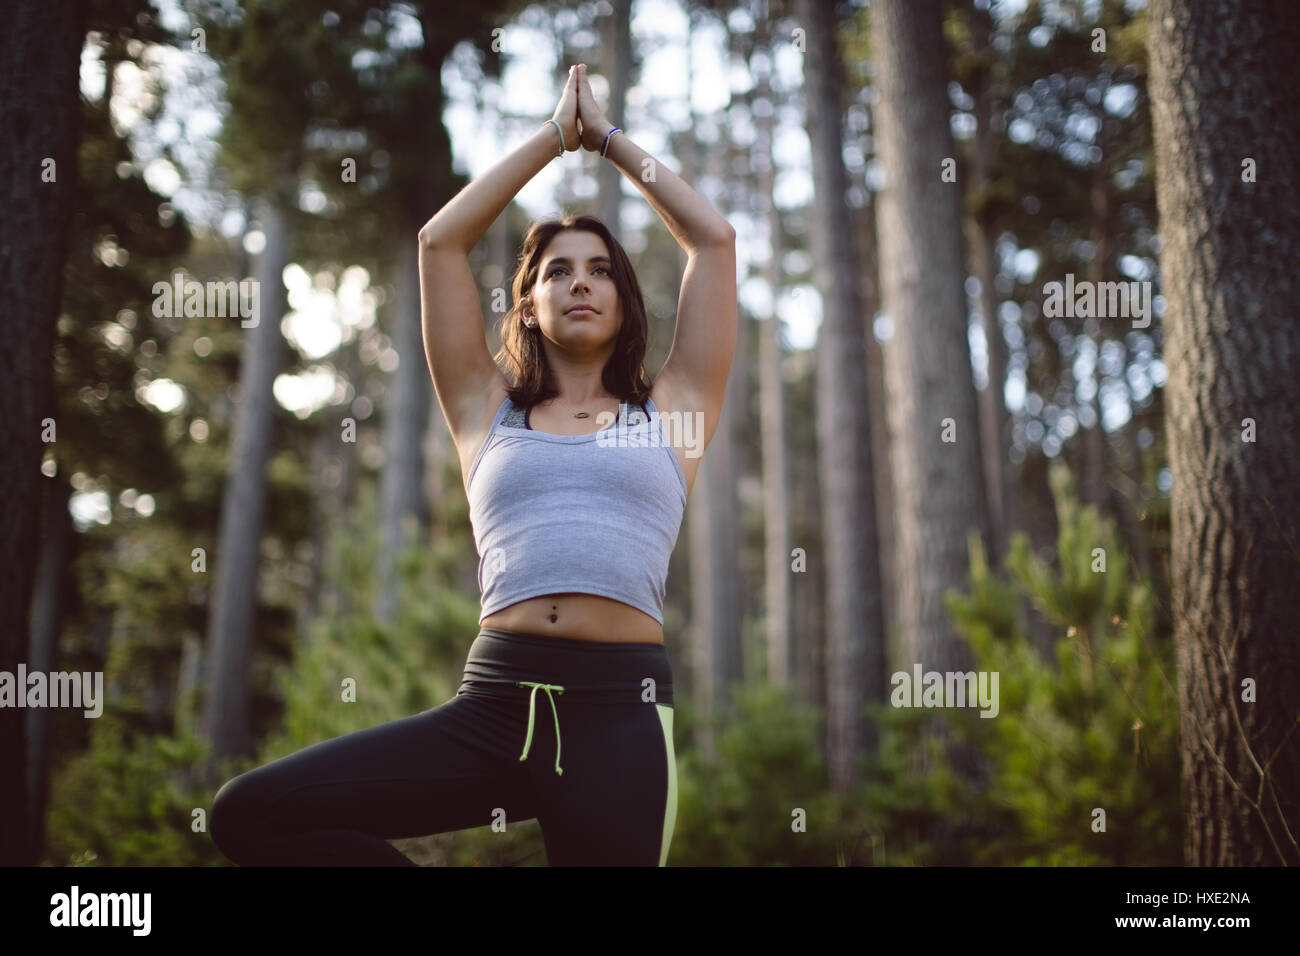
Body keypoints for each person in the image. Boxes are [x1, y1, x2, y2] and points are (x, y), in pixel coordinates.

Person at [210, 63, 736, 866]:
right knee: (249, 813)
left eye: (599, 270)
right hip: (495, 702)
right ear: (528, 302)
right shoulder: (484, 411)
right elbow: (439, 241)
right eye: (557, 270)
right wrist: (557, 138)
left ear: (626, 301)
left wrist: (610, 142)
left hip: (619, 714)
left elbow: (714, 239)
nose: (580, 282)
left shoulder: (673, 412)